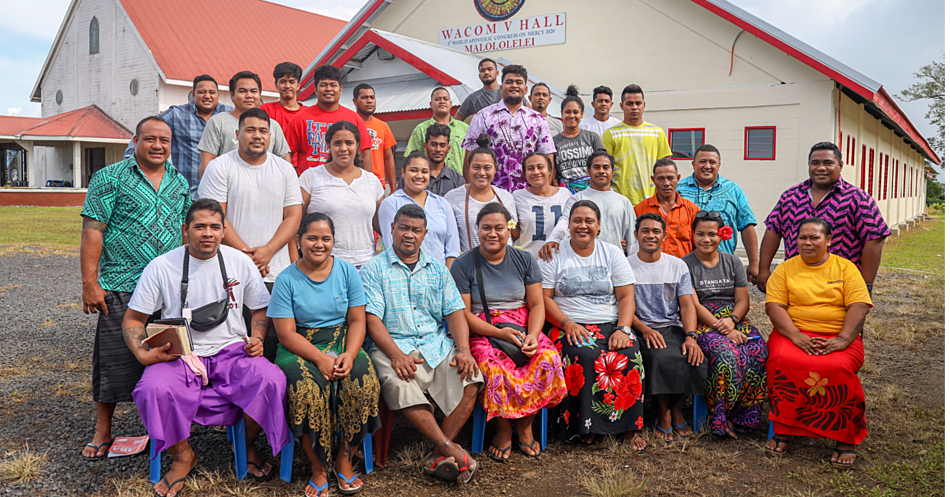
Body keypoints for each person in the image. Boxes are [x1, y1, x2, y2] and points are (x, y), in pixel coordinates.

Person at [123, 199, 289, 497]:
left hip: (232, 351)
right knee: (151, 389)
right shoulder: (161, 266)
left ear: (225, 230)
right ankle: (182, 455)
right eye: (199, 226)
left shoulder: (239, 262)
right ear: (185, 230)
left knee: (271, 380)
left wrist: (258, 339)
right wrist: (141, 353)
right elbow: (133, 318)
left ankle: (248, 443)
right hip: (181, 355)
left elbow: (261, 309)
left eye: (215, 227)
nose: (207, 233)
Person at [80, 116, 192, 462]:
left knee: (167, 360)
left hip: (168, 289)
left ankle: (165, 427)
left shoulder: (179, 182)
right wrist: (90, 282)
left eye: (165, 141)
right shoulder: (109, 178)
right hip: (122, 284)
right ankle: (103, 429)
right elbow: (93, 230)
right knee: (113, 360)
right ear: (136, 140)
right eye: (151, 139)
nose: (158, 146)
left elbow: (186, 231)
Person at [361, 204, 483, 484]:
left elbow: (454, 312)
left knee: (472, 378)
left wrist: (463, 350)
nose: (409, 235)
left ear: (425, 234)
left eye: (416, 230)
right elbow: (372, 320)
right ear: (391, 229)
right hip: (391, 346)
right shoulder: (374, 269)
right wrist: (395, 354)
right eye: (403, 227)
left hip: (435, 345)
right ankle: (451, 449)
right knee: (397, 384)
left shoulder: (438, 270)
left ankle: (439, 452)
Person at [268, 213, 380, 496]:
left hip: (343, 340)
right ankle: (318, 467)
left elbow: (357, 321)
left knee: (363, 381)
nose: (319, 244)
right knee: (305, 390)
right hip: (299, 346)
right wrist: (319, 358)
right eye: (312, 238)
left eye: (326, 238)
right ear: (299, 240)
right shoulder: (286, 279)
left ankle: (344, 459)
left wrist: (351, 354)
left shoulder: (347, 272)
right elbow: (285, 334)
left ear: (333, 241)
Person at [450, 203, 567, 461]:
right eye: (486, 228)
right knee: (493, 367)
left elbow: (537, 304)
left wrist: (534, 336)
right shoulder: (463, 264)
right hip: (483, 327)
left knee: (548, 359)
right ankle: (502, 428)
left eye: (499, 228)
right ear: (477, 230)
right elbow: (464, 313)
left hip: (524, 324)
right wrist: (500, 334)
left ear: (509, 229)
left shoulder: (524, 259)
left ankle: (525, 427)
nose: (493, 233)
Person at [539, 200, 647, 451]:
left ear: (599, 226)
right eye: (577, 220)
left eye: (589, 221)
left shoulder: (612, 253)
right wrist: (567, 324)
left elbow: (626, 297)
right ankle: (586, 426)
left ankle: (628, 428)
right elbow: (544, 298)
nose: (583, 226)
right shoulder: (553, 253)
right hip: (566, 323)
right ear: (568, 225)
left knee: (629, 354)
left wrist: (623, 328)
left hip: (609, 322)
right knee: (584, 356)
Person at [764, 218, 871, 469]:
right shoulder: (786, 269)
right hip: (793, 333)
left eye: (814, 237)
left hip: (838, 336)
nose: (807, 242)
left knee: (837, 368)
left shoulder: (846, 269)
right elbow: (774, 306)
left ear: (829, 240)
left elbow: (859, 305)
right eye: (803, 237)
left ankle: (845, 438)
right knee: (783, 361)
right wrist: (795, 335)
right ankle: (784, 428)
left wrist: (843, 339)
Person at [197, 108, 304, 361]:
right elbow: (215, 219)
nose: (257, 136)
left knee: (272, 346)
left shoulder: (285, 169)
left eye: (263, 131)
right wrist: (248, 259)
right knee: (233, 344)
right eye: (250, 130)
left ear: (271, 135)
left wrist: (267, 251)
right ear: (237, 134)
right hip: (229, 272)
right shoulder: (220, 167)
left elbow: (293, 216)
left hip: (275, 272)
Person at [758, 142, 889, 294]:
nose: (821, 168)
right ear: (809, 165)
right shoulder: (790, 196)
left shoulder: (858, 199)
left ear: (840, 165)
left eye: (828, 163)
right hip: (795, 283)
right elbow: (773, 231)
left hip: (839, 285)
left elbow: (874, 240)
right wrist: (764, 269)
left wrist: (865, 285)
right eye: (815, 163)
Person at [682, 212, 767, 439]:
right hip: (703, 320)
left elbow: (742, 301)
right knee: (725, 353)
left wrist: (733, 322)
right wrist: (724, 330)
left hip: (732, 317)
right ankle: (720, 416)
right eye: (700, 234)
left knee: (757, 350)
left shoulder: (732, 262)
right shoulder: (684, 264)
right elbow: (692, 303)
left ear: (721, 235)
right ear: (693, 235)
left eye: (712, 234)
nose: (706, 239)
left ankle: (745, 415)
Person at [627, 213, 706, 442]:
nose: (650, 235)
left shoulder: (677, 265)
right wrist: (644, 329)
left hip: (672, 326)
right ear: (636, 235)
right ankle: (663, 412)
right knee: (659, 358)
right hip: (640, 327)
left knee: (693, 356)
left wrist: (691, 336)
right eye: (645, 231)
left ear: (664, 235)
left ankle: (677, 407)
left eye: (656, 231)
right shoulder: (626, 265)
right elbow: (625, 308)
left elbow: (687, 305)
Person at [123, 75, 233, 199]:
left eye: (212, 92)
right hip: (186, 194)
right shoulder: (177, 114)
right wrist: (130, 161)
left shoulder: (229, 114)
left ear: (218, 94)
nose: (207, 96)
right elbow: (146, 129)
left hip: (223, 194)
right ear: (193, 94)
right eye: (202, 92)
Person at [299, 121, 383, 268]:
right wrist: (296, 262)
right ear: (328, 146)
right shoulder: (311, 177)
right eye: (337, 143)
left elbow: (382, 225)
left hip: (366, 266)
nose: (343, 148)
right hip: (323, 266)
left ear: (357, 145)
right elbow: (294, 222)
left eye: (349, 143)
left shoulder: (371, 181)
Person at [462, 64, 555, 190]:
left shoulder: (538, 120)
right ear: (501, 88)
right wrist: (476, 194)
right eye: (509, 82)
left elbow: (548, 160)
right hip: (491, 193)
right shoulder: (482, 116)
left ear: (526, 89)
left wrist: (542, 193)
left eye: (519, 82)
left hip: (528, 193)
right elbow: (470, 158)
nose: (514, 85)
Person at [677, 144, 759, 283]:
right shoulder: (678, 189)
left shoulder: (733, 190)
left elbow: (746, 226)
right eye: (702, 161)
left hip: (723, 265)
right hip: (685, 265)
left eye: (712, 162)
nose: (707, 166)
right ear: (693, 163)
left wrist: (754, 263)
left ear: (719, 165)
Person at [540, 151, 635, 259]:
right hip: (581, 260)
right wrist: (554, 239)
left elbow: (633, 241)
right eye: (596, 167)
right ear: (588, 171)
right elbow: (564, 222)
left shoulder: (624, 202)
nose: (601, 171)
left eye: (605, 167)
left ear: (612, 171)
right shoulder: (577, 198)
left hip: (614, 262)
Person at [198, 71, 291, 175]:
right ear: (232, 95)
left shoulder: (272, 125)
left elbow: (285, 165)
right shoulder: (218, 122)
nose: (249, 96)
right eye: (242, 91)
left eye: (253, 91)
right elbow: (207, 165)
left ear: (259, 95)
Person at [285, 65, 372, 176]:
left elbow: (365, 154)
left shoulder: (354, 119)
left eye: (333, 85)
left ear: (340, 90)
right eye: (323, 85)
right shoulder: (299, 119)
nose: (328, 89)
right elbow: (286, 154)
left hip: (345, 183)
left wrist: (367, 183)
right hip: (311, 186)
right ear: (316, 90)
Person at [378, 151, 461, 266]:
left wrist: (446, 278)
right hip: (405, 276)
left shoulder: (442, 204)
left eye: (424, 171)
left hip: (440, 277)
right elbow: (390, 247)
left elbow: (453, 249)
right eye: (413, 170)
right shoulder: (391, 203)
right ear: (403, 172)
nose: (419, 175)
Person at [444, 136, 519, 253]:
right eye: (476, 167)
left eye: (487, 168)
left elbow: (512, 233)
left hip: (503, 264)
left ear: (495, 169)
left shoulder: (506, 197)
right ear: (468, 168)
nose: (482, 173)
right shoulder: (452, 198)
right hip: (470, 266)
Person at [602, 84, 672, 206]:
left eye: (638, 103)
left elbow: (665, 171)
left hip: (651, 202)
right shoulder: (610, 134)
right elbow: (603, 168)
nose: (634, 107)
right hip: (618, 202)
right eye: (629, 103)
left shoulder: (657, 133)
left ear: (644, 105)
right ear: (621, 106)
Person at [633, 158, 700, 258]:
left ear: (678, 178)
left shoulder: (692, 209)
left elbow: (699, 244)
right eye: (660, 178)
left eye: (670, 178)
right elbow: (633, 244)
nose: (666, 183)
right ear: (653, 179)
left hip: (684, 268)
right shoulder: (640, 209)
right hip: (650, 268)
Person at [511, 153, 572, 258]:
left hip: (559, 261)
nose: (536, 172)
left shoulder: (565, 195)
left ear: (549, 171)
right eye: (530, 168)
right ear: (525, 174)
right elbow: (515, 234)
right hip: (526, 261)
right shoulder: (517, 197)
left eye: (540, 167)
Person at [405, 87, 469, 175]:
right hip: (429, 183)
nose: (442, 101)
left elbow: (472, 159)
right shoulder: (420, 129)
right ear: (431, 104)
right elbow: (410, 160)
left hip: (459, 183)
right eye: (437, 99)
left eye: (445, 99)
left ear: (450, 104)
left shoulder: (465, 128)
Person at [552, 85, 603, 193]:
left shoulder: (592, 137)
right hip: (566, 194)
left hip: (592, 192)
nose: (571, 115)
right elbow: (553, 174)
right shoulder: (554, 141)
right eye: (567, 112)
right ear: (562, 113)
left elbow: (602, 166)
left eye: (575, 112)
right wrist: (560, 193)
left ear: (582, 114)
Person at [353, 83, 397, 189]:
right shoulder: (349, 124)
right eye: (364, 97)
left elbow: (388, 158)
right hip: (354, 182)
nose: (369, 101)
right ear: (355, 101)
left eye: (372, 97)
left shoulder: (383, 126)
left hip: (378, 184)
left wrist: (393, 188)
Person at [406, 123, 466, 197]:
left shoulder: (458, 180)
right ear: (425, 146)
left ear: (448, 149)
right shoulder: (411, 177)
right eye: (434, 144)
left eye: (442, 145)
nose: (438, 149)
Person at [260, 62, 307, 133]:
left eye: (292, 82)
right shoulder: (266, 110)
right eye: (283, 82)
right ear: (276, 85)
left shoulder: (309, 113)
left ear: (298, 85)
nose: (287, 86)